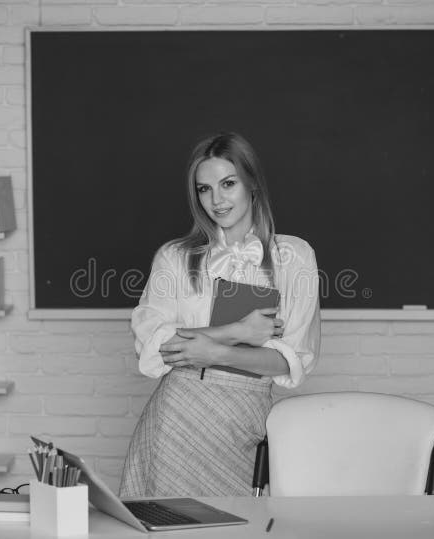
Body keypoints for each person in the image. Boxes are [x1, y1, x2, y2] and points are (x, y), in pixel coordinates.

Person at [119, 132, 320, 498]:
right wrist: (236, 331)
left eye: (228, 184)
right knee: (168, 521)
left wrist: (215, 352)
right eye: (204, 189)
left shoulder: (294, 256)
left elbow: (288, 361)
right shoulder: (175, 257)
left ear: (252, 183)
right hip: (174, 419)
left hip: (244, 421)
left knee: (242, 520)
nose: (216, 200)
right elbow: (158, 346)